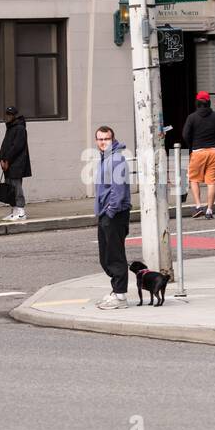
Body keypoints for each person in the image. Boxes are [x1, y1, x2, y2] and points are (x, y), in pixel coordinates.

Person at [93, 126, 132, 310]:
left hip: (115, 215)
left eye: (106, 139)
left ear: (112, 139)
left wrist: (110, 211)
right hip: (105, 214)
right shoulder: (105, 158)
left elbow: (119, 191)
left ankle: (120, 296)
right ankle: (116, 291)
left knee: (115, 255)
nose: (103, 142)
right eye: (100, 139)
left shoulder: (116, 159)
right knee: (105, 256)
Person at [182, 90, 215, 220]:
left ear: (197, 102)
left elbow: (185, 135)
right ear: (209, 102)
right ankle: (209, 210)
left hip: (198, 151)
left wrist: (192, 144)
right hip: (214, 151)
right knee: (211, 182)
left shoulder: (192, 117)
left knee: (194, 179)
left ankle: (198, 206)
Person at [0, 105, 31, 220]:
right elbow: (5, 145)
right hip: (8, 163)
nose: (7, 116)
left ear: (15, 116)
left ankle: (21, 211)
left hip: (17, 163)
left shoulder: (20, 128)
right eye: (7, 114)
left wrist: (7, 160)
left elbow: (17, 146)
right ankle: (15, 211)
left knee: (16, 186)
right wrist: (1, 158)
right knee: (10, 187)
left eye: (10, 114)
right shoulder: (10, 127)